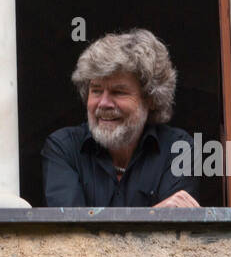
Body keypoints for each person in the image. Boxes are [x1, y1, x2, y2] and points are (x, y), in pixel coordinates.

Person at [42, 28, 201, 208]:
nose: (103, 103)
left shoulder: (178, 150)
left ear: (150, 99)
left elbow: (175, 231)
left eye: (118, 92)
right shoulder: (63, 148)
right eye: (96, 91)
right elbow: (72, 233)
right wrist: (154, 216)